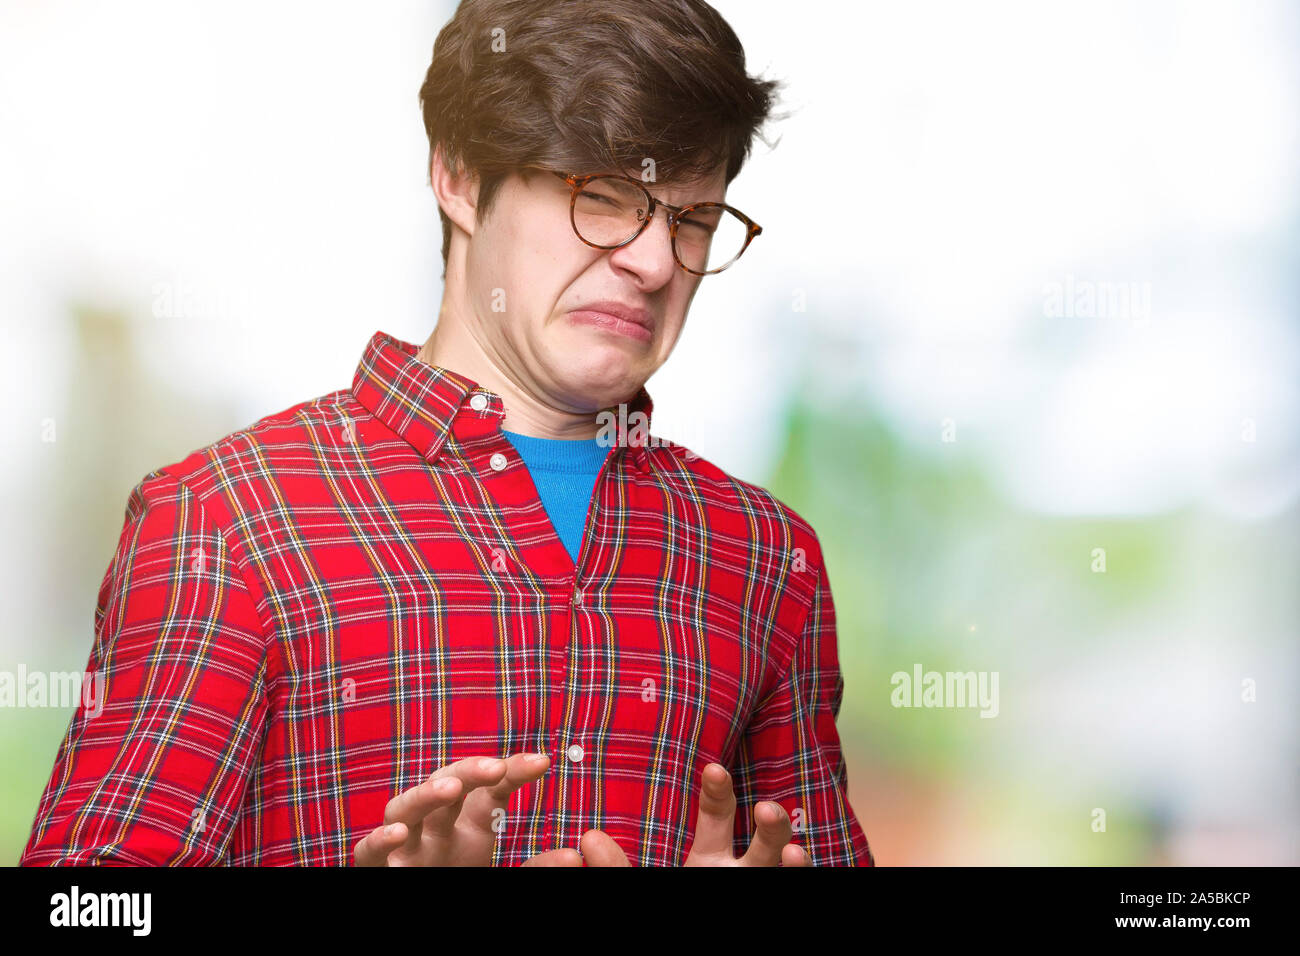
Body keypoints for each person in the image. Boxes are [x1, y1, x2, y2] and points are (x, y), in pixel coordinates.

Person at [21, 0, 874, 867]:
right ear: (460, 177)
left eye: (692, 222)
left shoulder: (768, 559)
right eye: (604, 198)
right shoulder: (227, 520)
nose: (654, 263)